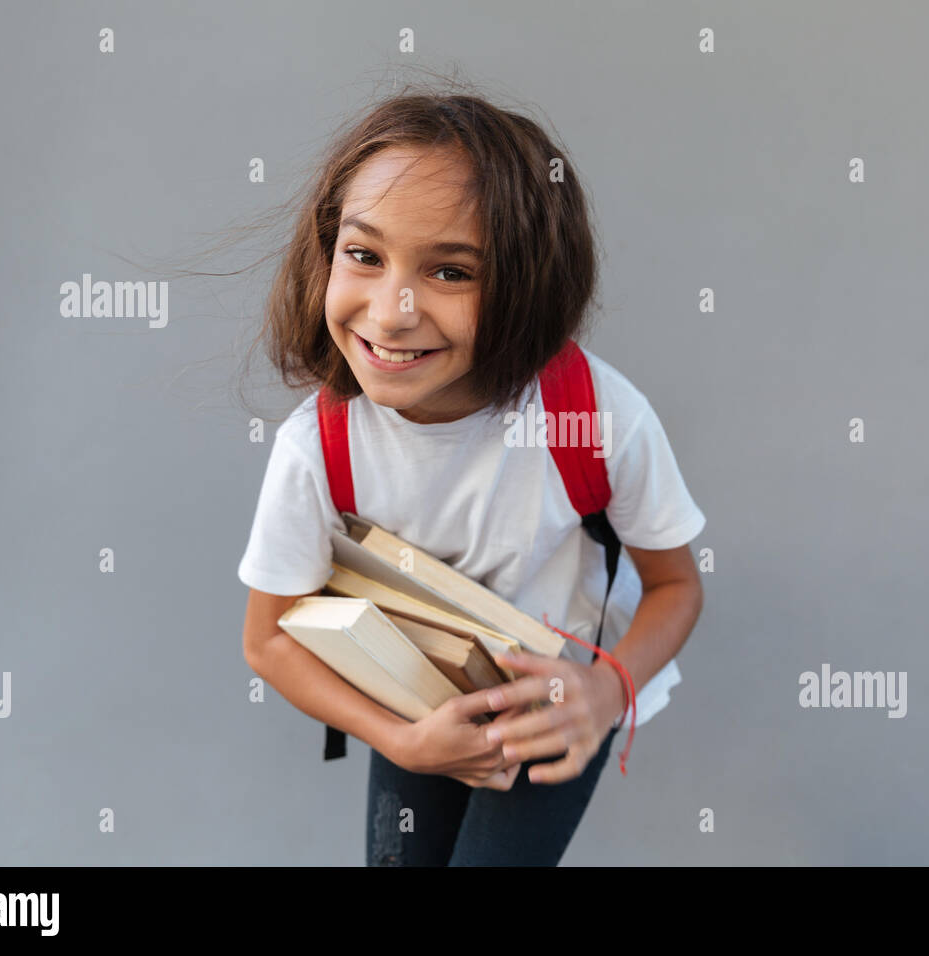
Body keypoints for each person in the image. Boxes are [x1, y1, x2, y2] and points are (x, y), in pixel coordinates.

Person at [237, 88, 706, 866]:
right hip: (413, 692)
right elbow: (268, 642)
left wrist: (603, 696)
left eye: (451, 271)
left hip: (551, 707)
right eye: (364, 256)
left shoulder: (598, 419)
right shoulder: (316, 447)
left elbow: (676, 587)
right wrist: (404, 742)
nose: (391, 313)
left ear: (531, 285)